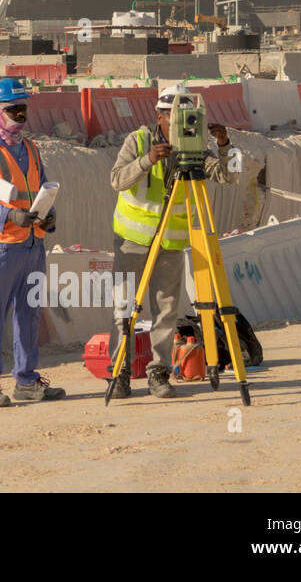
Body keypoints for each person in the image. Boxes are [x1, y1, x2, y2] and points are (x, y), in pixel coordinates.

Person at [107, 84, 240, 399]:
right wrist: (148, 160)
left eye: (185, 115)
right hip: (133, 241)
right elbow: (116, 180)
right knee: (125, 308)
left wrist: (225, 146)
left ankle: (159, 373)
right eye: (172, 116)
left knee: (166, 311)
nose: (179, 123)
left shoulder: (194, 145)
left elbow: (230, 176)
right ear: (159, 115)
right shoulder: (138, 141)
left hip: (171, 244)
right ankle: (121, 373)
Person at [0, 78, 66, 408]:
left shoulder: (32, 148)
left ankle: (26, 378)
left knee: (29, 313)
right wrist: (9, 216)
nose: (20, 115)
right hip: (2, 245)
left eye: (23, 109)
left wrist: (47, 215)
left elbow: (39, 191)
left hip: (33, 243)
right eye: (13, 110)